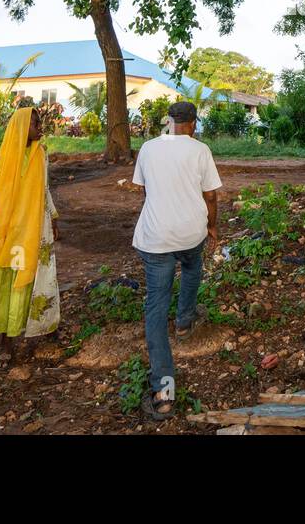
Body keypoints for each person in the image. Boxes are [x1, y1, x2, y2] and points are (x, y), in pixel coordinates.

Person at [130, 100, 221, 421]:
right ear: (193, 123)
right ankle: (183, 321)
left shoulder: (148, 148)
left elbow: (144, 191)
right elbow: (210, 195)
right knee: (193, 264)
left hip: (155, 238)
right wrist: (211, 226)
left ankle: (163, 391)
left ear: (169, 121)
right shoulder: (200, 150)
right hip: (190, 233)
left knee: (156, 305)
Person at [0, 107, 60, 370]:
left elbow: (44, 189)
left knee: (35, 279)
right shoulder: (3, 156)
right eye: (35, 123)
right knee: (4, 284)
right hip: (6, 232)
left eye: (40, 123)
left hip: (35, 230)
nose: (40, 127)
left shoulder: (42, 155)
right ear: (20, 127)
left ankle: (42, 327)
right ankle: (4, 343)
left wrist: (54, 218)